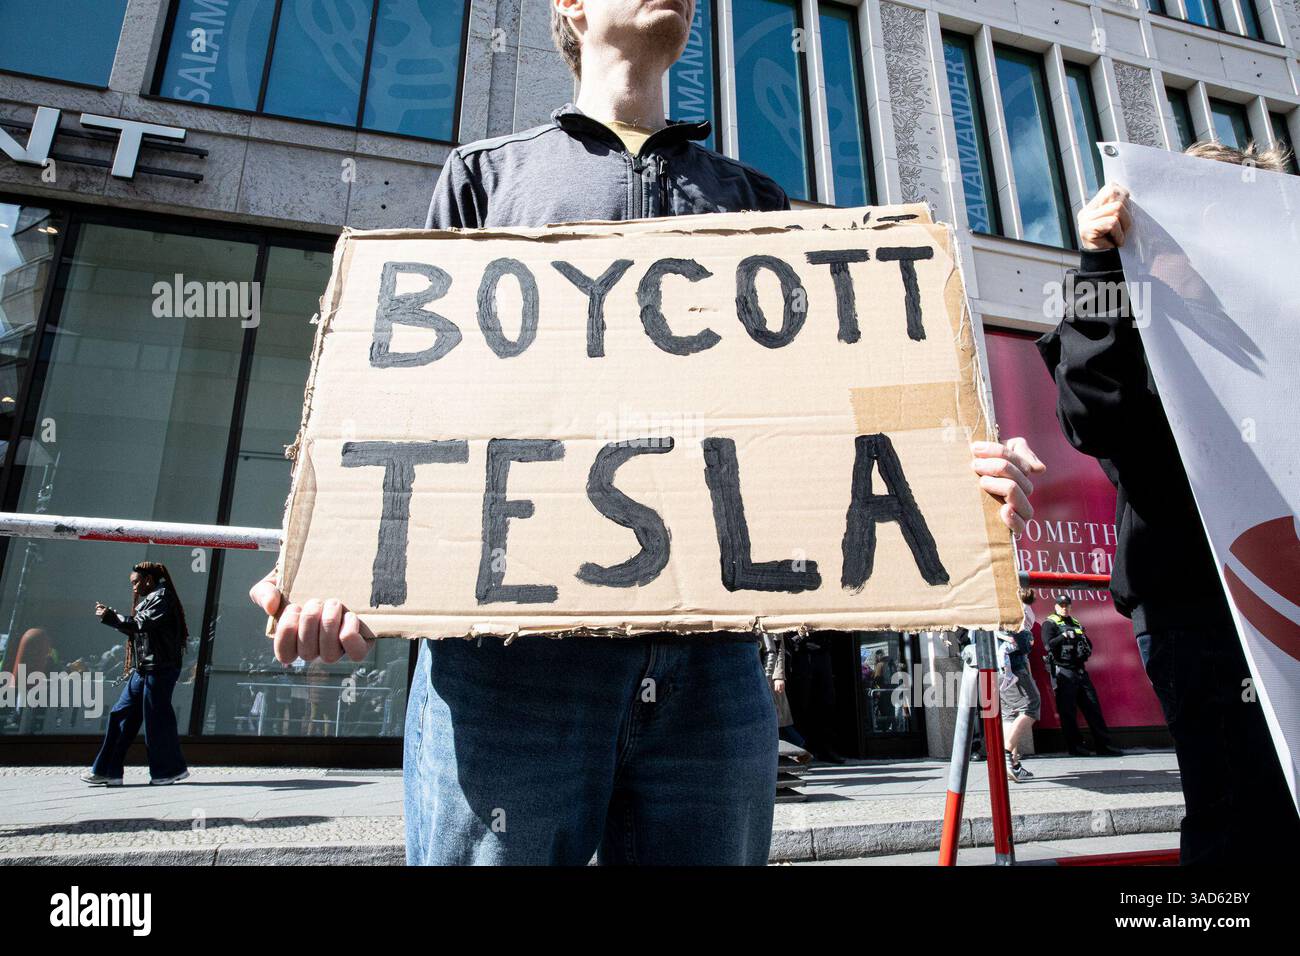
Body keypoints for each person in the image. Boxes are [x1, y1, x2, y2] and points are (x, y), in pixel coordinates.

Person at [248, 0, 1046, 865]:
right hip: (508, 680)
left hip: (713, 679)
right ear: (571, 8)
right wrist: (336, 563)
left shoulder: (753, 199)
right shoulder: (483, 178)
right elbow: (409, 406)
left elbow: (819, 422)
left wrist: (948, 479)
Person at [1038, 139, 1300, 864]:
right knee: (1242, 818)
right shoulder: (1127, 325)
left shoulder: (1278, 328)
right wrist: (1097, 265)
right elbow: (1093, 414)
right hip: (1200, 610)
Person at [81, 561, 190, 787]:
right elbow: (139, 627)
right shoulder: (154, 599)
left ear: (148, 580)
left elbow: (141, 624)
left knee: (156, 720)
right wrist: (112, 617)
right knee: (121, 714)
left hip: (159, 668)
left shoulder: (162, 597)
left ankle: (169, 770)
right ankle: (108, 770)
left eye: (135, 583)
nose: (133, 588)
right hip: (146, 669)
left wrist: (111, 617)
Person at [1040, 595, 1117, 757]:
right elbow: (1048, 645)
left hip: (1081, 671)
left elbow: (1088, 643)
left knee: (1093, 708)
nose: (1064, 608)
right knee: (1068, 712)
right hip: (1063, 672)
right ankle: (1076, 748)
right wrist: (1063, 636)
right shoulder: (1049, 623)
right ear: (1055, 606)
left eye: (1067, 605)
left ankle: (1105, 746)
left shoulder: (1075, 623)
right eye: (1061, 605)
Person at [996, 588, 1040, 782]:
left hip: (999, 667)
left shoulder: (999, 606)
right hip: (1013, 667)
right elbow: (1022, 641)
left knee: (1009, 714)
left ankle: (1013, 763)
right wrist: (1028, 642)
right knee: (1031, 705)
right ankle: (1005, 755)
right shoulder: (1017, 608)